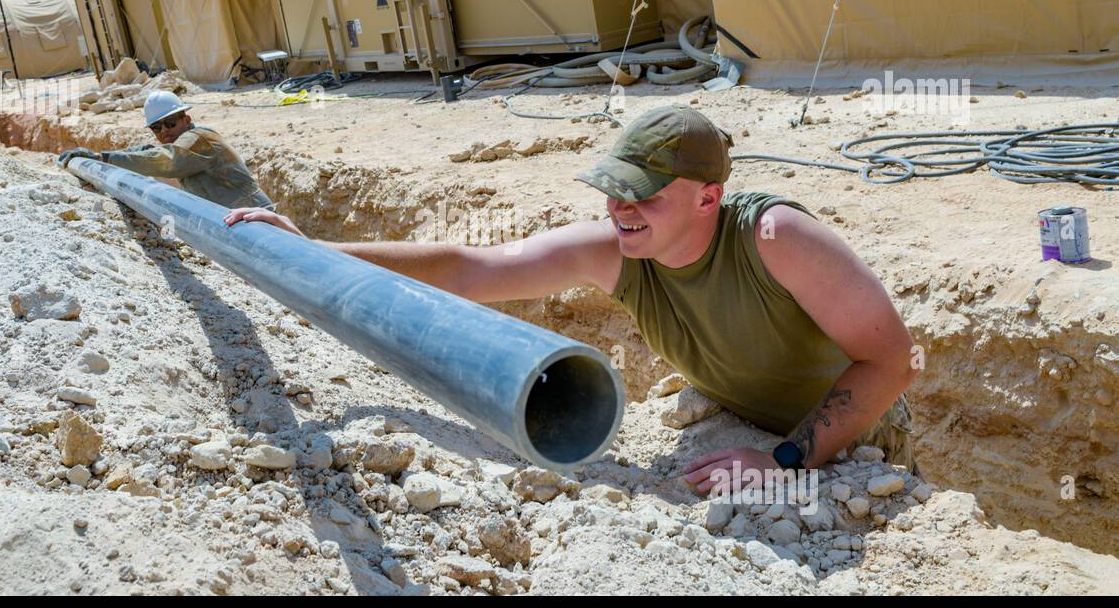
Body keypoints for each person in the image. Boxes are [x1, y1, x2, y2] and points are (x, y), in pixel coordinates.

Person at [223, 105, 919, 489]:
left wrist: (784, 461)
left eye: (642, 192)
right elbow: (472, 270)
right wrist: (312, 247)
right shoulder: (616, 247)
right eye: (613, 187)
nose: (621, 205)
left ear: (710, 197)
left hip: (855, 442)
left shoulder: (775, 236)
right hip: (750, 417)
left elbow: (892, 362)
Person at [58, 91, 273, 210]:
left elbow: (169, 160)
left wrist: (102, 157)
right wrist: (101, 156)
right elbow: (147, 150)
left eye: (170, 123)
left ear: (186, 119)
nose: (163, 131)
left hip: (258, 217)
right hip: (238, 216)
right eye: (156, 127)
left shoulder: (198, 138)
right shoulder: (182, 142)